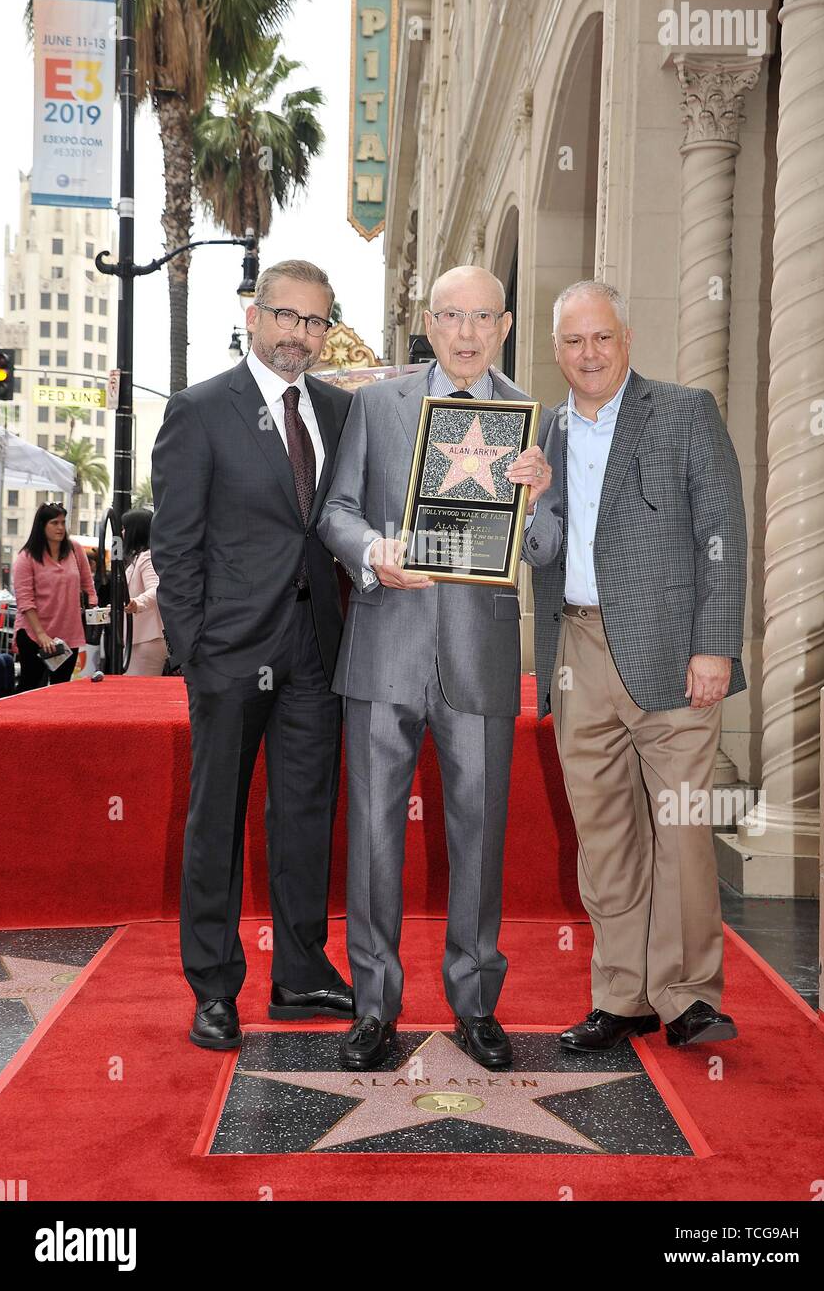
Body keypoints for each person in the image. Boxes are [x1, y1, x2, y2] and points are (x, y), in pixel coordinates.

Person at [317, 265, 563, 1072]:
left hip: (481, 656)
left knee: (481, 835)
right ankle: (373, 1009)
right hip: (385, 647)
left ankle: (477, 1003)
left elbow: (546, 549)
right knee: (376, 837)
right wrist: (370, 554)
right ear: (429, 320)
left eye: (482, 316)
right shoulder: (377, 406)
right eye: (451, 315)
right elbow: (336, 513)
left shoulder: (532, 421)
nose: (465, 331)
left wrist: (537, 501)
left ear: (503, 323)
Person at [531, 279, 747, 1051]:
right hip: (577, 653)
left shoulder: (685, 412)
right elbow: (542, 554)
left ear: (626, 339)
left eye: (602, 337)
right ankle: (622, 995)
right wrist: (536, 505)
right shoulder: (543, 435)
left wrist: (715, 645)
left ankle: (686, 993)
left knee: (683, 829)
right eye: (573, 341)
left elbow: (723, 532)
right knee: (605, 834)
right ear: (556, 349)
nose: (588, 353)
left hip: (672, 654)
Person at [151, 259, 354, 1051]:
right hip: (231, 652)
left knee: (306, 815)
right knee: (216, 820)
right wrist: (195, 647)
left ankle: (302, 971)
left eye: (315, 322)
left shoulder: (340, 410)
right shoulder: (200, 411)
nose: (300, 335)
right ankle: (213, 986)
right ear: (255, 315)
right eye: (287, 317)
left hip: (319, 651)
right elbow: (176, 544)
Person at [12, 503, 98, 692]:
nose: (60, 527)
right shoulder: (26, 558)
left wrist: (93, 607)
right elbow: (25, 601)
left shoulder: (74, 549)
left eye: (63, 522)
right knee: (30, 689)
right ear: (42, 526)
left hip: (68, 632)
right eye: (54, 523)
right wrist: (41, 634)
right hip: (34, 634)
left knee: (61, 690)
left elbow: (87, 583)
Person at [122, 509, 166, 676]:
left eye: (125, 528)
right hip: (140, 638)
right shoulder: (138, 558)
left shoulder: (146, 557)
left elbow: (156, 588)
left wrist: (137, 603)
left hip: (147, 638)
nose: (122, 532)